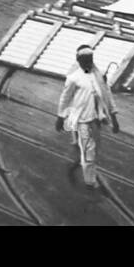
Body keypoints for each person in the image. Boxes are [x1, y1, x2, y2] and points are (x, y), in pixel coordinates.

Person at [55, 43, 120, 191]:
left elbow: (107, 96)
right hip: (81, 120)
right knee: (89, 150)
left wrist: (114, 119)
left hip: (97, 120)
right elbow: (65, 98)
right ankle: (90, 181)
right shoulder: (73, 78)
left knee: (94, 150)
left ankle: (80, 152)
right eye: (84, 60)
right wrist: (60, 117)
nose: (88, 62)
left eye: (90, 59)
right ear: (78, 61)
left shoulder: (99, 75)